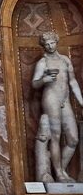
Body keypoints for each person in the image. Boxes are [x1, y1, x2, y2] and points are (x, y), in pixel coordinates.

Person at [32, 30, 83, 183]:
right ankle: (60, 174)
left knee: (73, 139)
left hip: (65, 100)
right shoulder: (43, 62)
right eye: (46, 44)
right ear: (43, 46)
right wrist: (44, 80)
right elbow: (35, 83)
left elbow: (73, 82)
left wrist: (81, 102)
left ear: (56, 42)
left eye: (52, 42)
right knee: (55, 137)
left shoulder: (65, 60)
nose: (50, 46)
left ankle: (61, 170)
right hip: (51, 99)